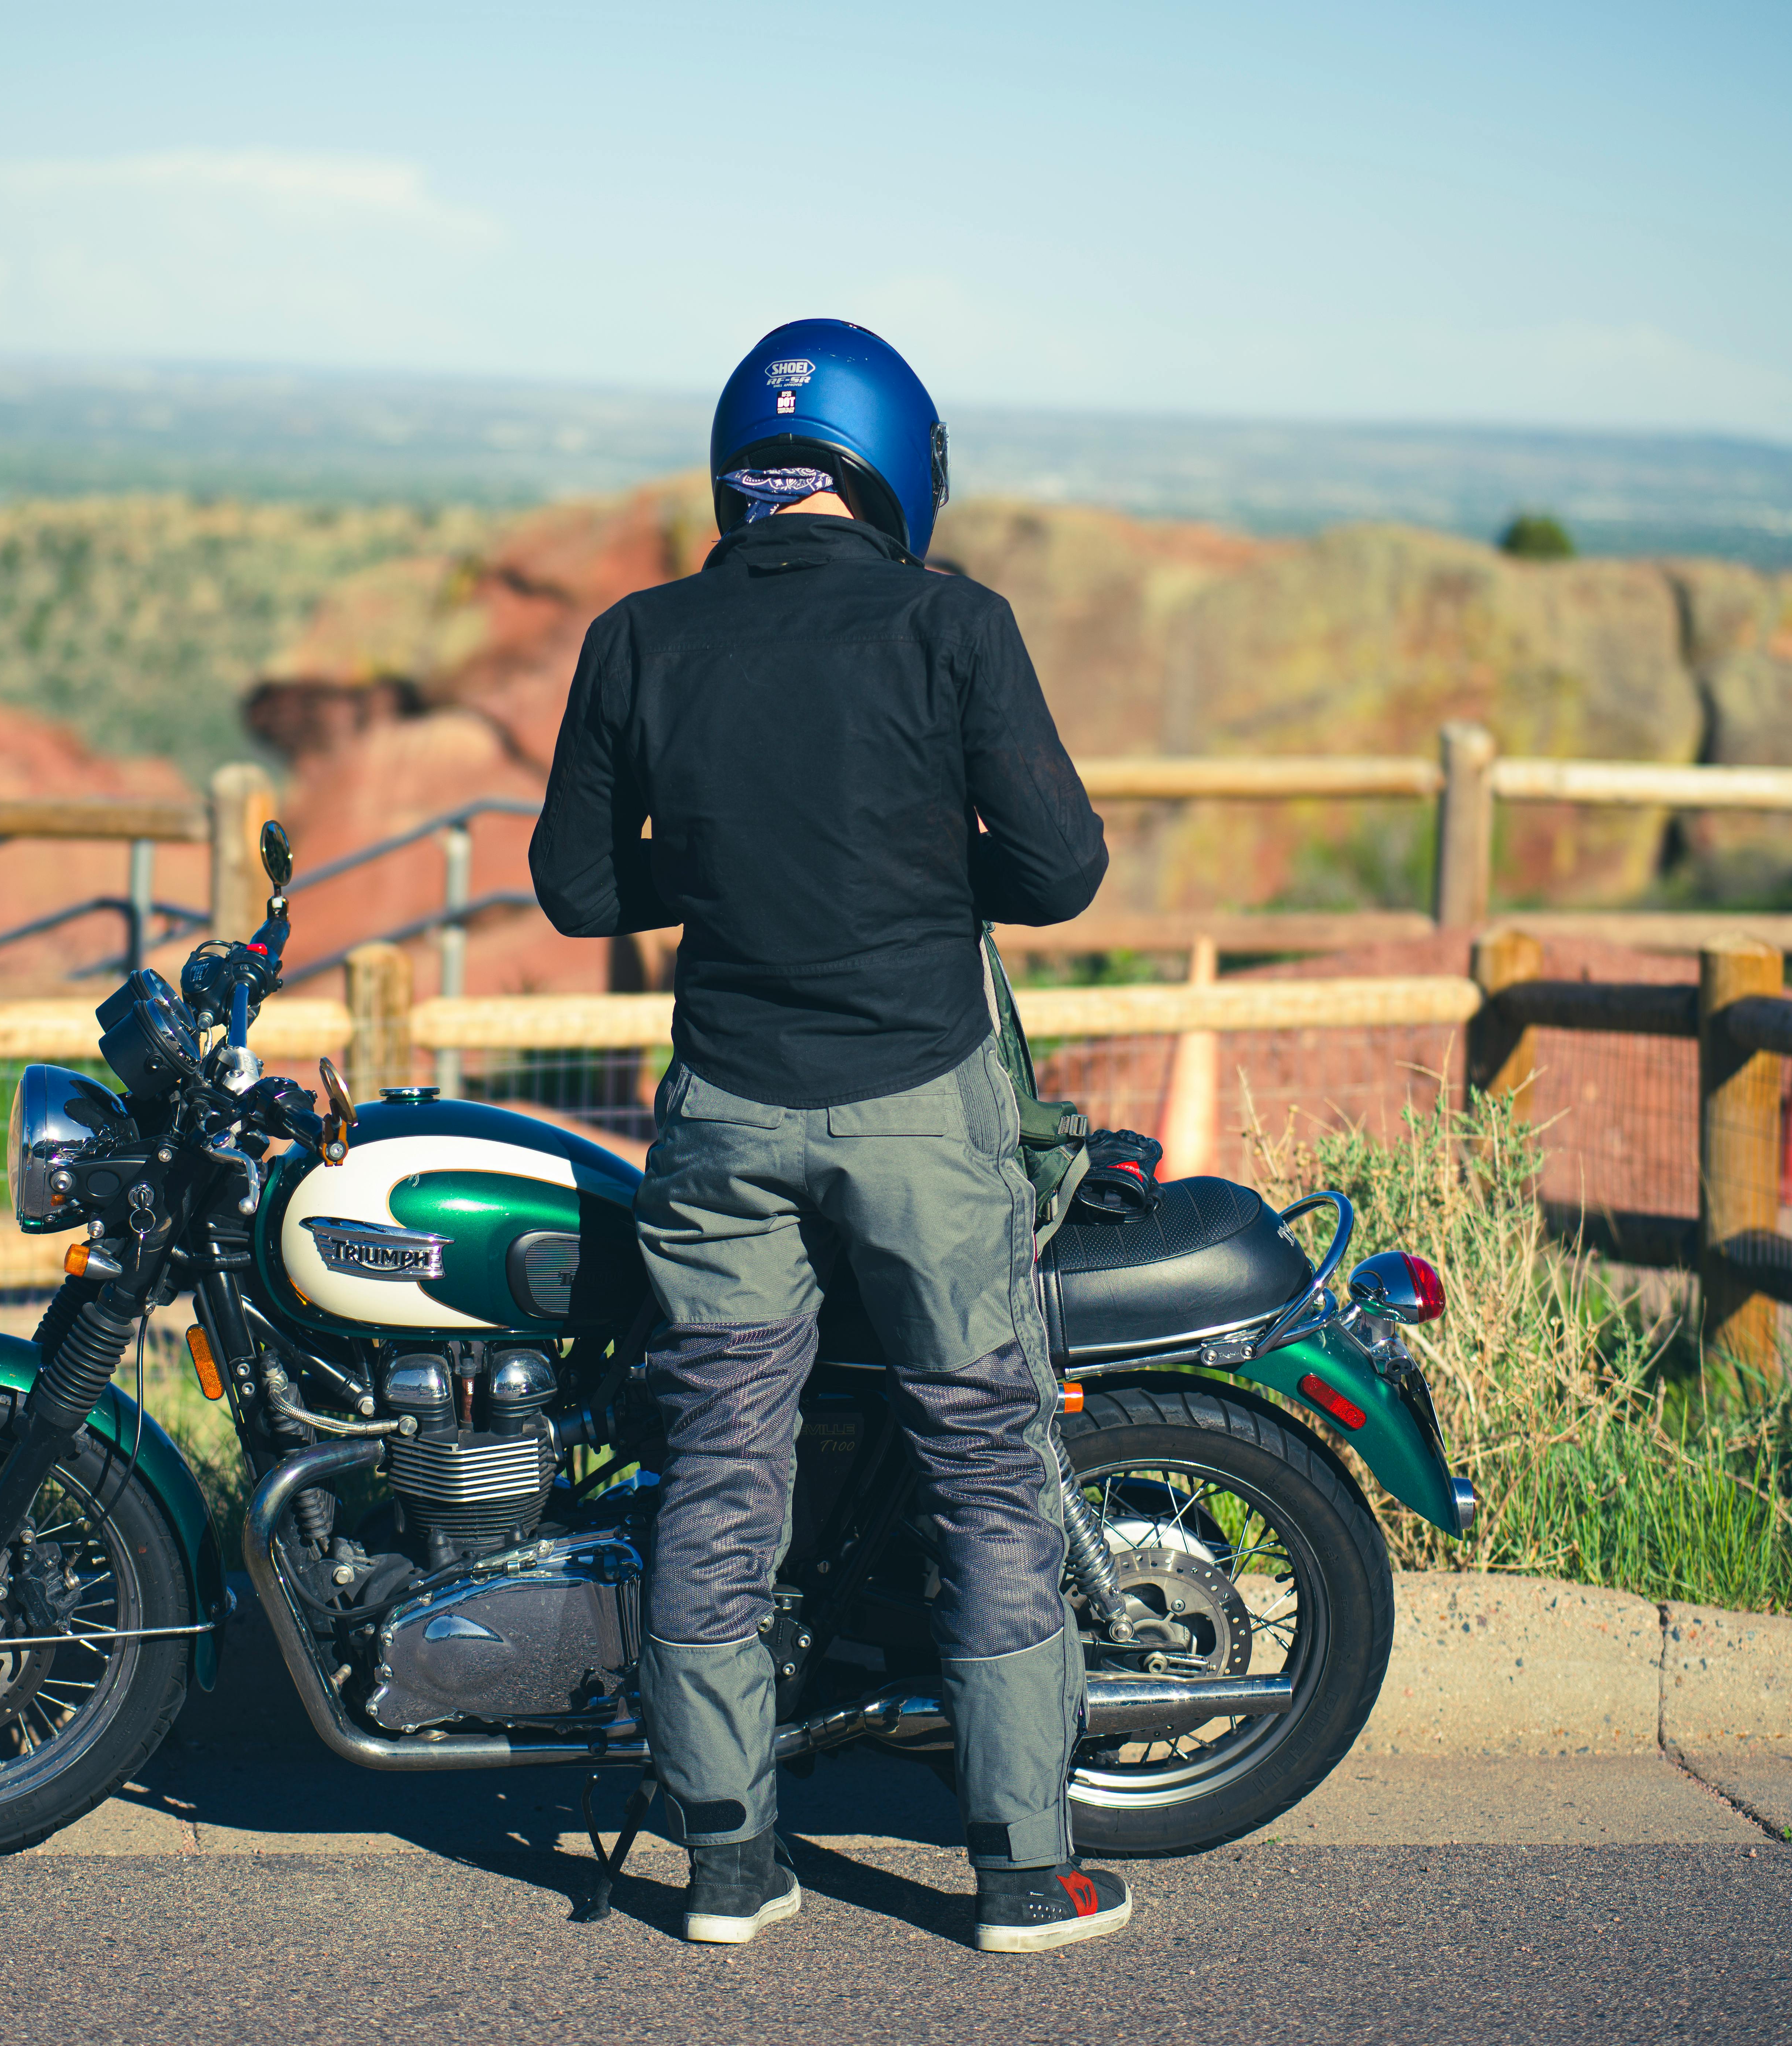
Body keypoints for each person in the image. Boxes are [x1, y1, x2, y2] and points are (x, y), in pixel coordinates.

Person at [528, 319, 1122, 1953]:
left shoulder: (639, 635)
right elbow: (1062, 869)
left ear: (742, 466)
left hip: (726, 1113)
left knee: (721, 1470)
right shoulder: (951, 623)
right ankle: (1023, 1873)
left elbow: (575, 886)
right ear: (898, 463)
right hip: (922, 1109)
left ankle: (728, 1865)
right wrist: (910, 864)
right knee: (982, 1462)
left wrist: (735, 868)